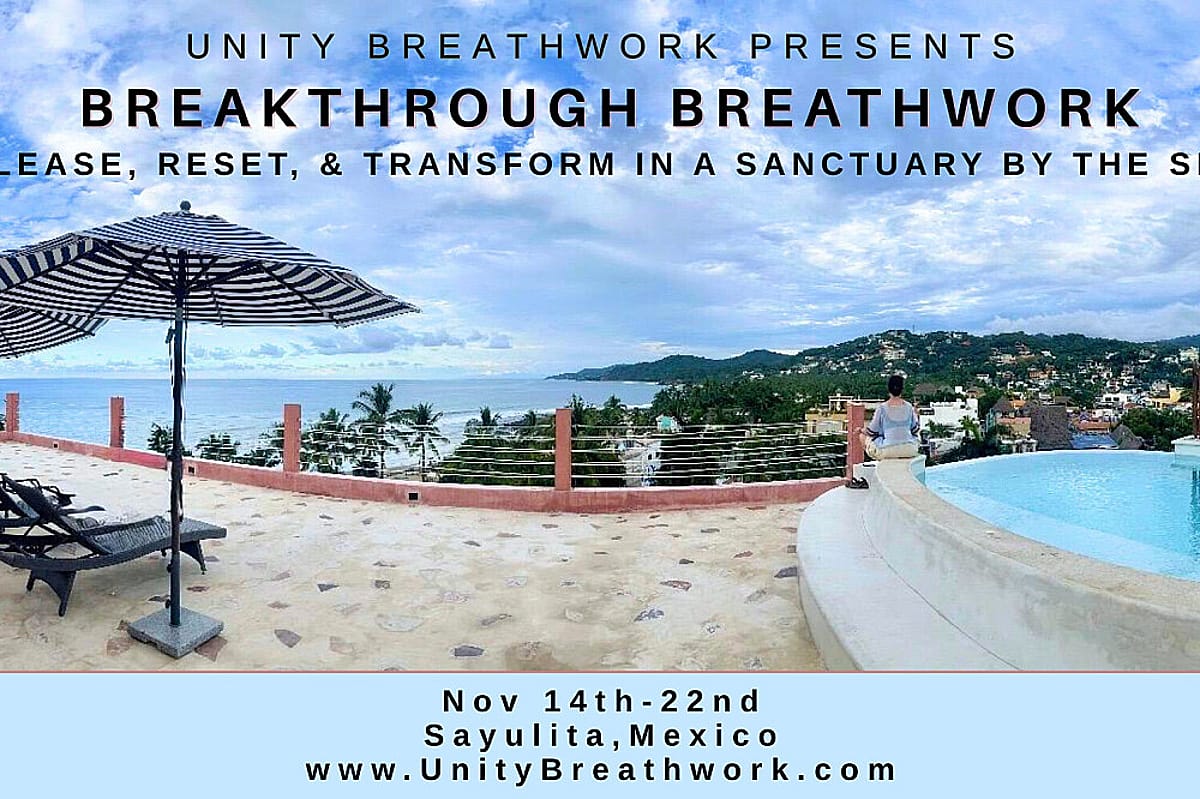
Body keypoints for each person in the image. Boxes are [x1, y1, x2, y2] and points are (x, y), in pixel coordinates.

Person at [856, 374, 921, 460]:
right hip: (909, 449)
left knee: (861, 436)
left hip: (887, 450)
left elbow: (871, 431)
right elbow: (915, 429)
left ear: (888, 390)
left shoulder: (882, 408)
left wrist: (860, 430)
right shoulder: (909, 406)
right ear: (902, 390)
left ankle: (881, 464)